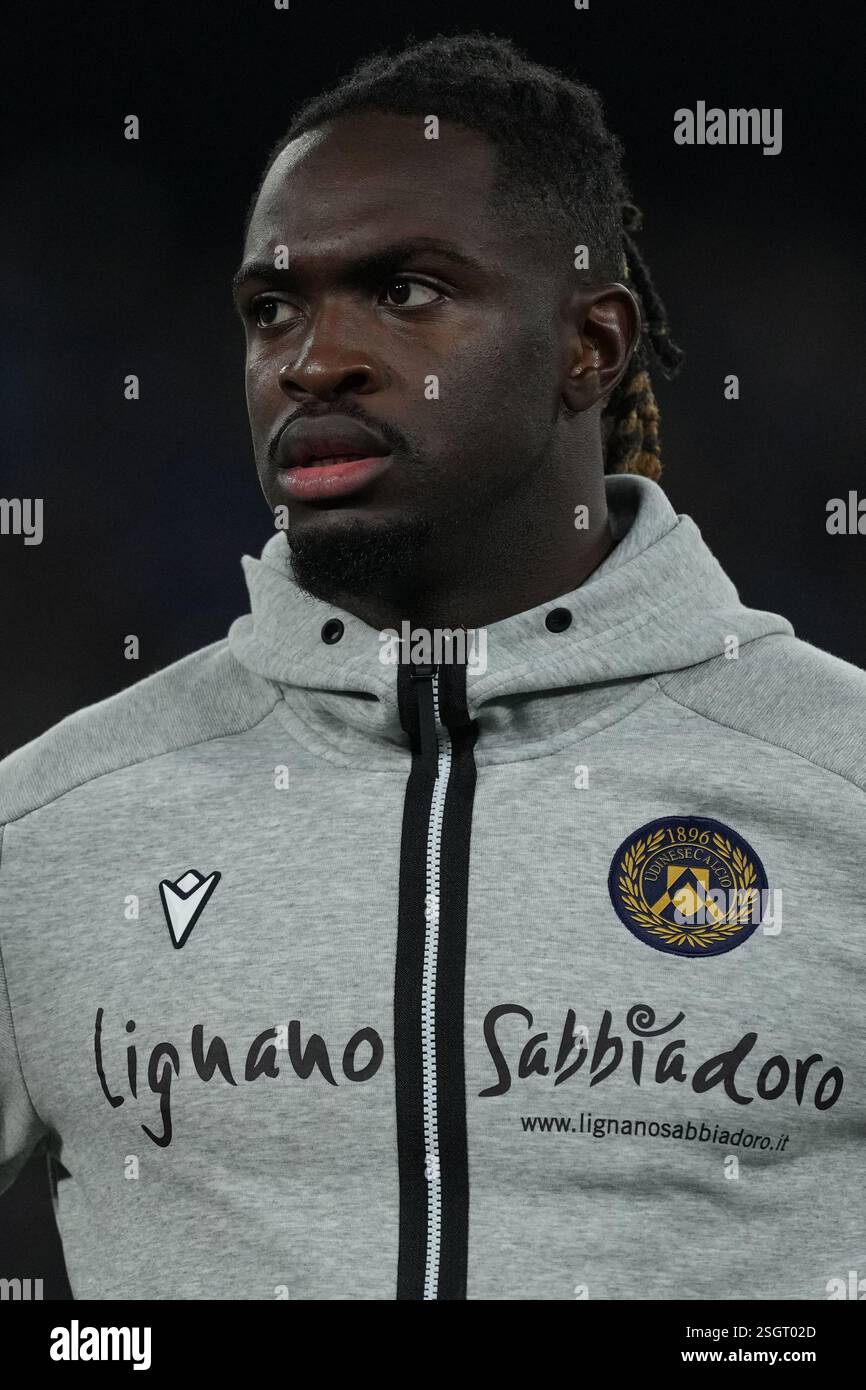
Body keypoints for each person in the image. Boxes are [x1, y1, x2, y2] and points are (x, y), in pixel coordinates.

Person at [1, 32, 864, 1302]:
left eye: (404, 292)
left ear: (591, 345)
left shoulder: (837, 786)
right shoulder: (52, 824)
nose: (313, 359)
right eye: (271, 309)